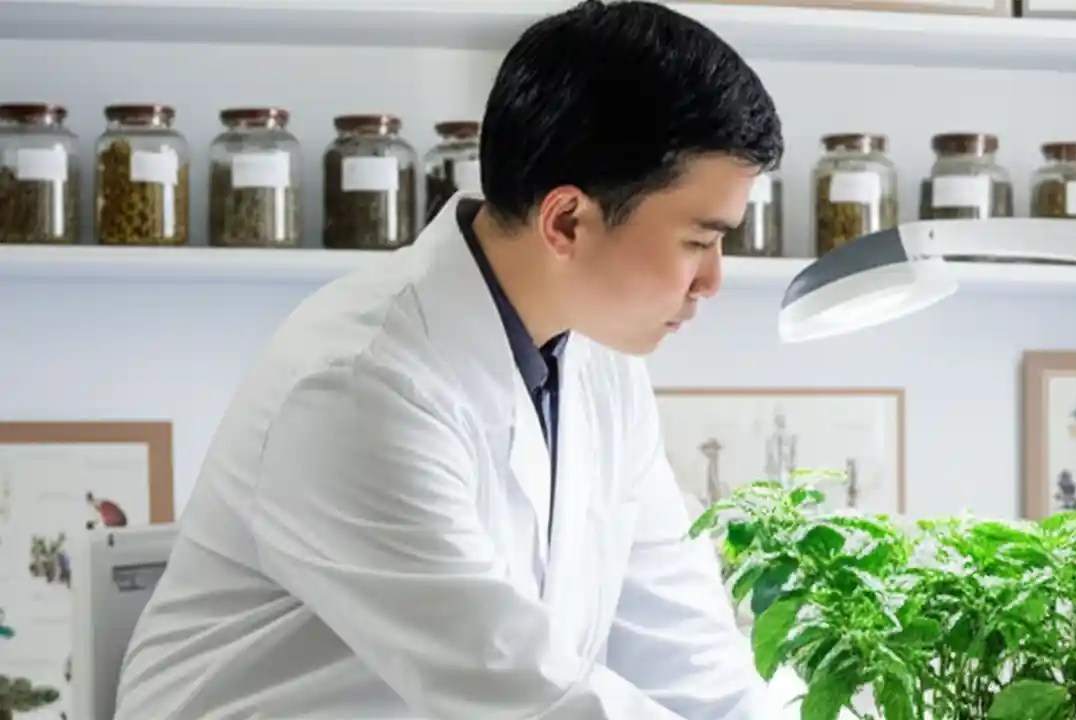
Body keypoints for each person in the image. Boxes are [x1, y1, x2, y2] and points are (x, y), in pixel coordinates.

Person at [114, 1, 784, 717]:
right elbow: (520, 689)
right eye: (699, 240)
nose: (713, 280)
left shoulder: (601, 364)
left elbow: (683, 648)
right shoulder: (360, 384)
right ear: (566, 221)